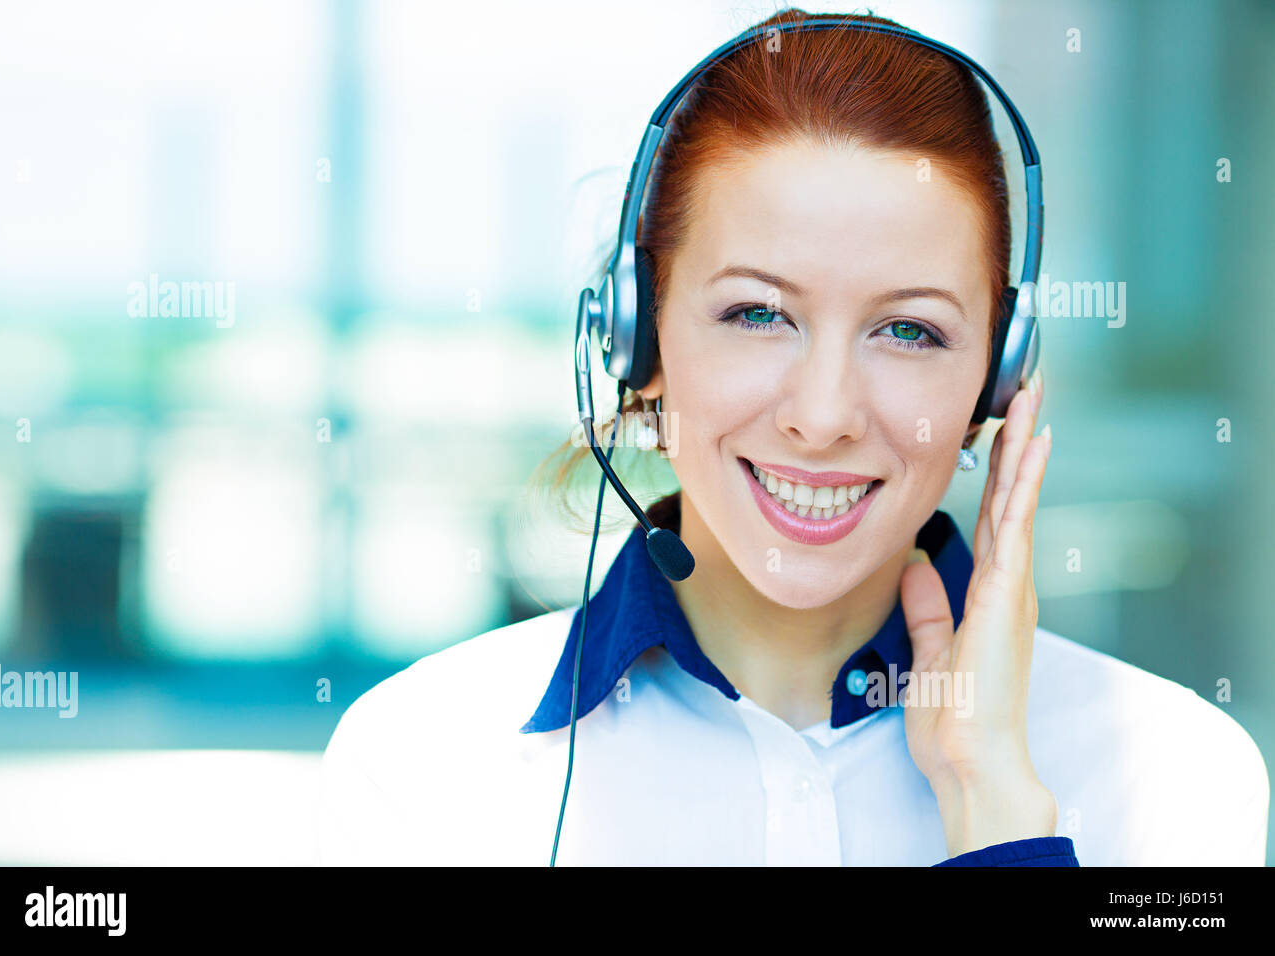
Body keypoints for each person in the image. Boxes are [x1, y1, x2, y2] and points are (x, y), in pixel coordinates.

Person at [318, 9, 1268, 866]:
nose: (824, 415)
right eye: (759, 313)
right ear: (636, 338)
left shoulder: (1170, 776)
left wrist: (996, 813)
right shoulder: (419, 762)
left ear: (998, 379)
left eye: (909, 331)